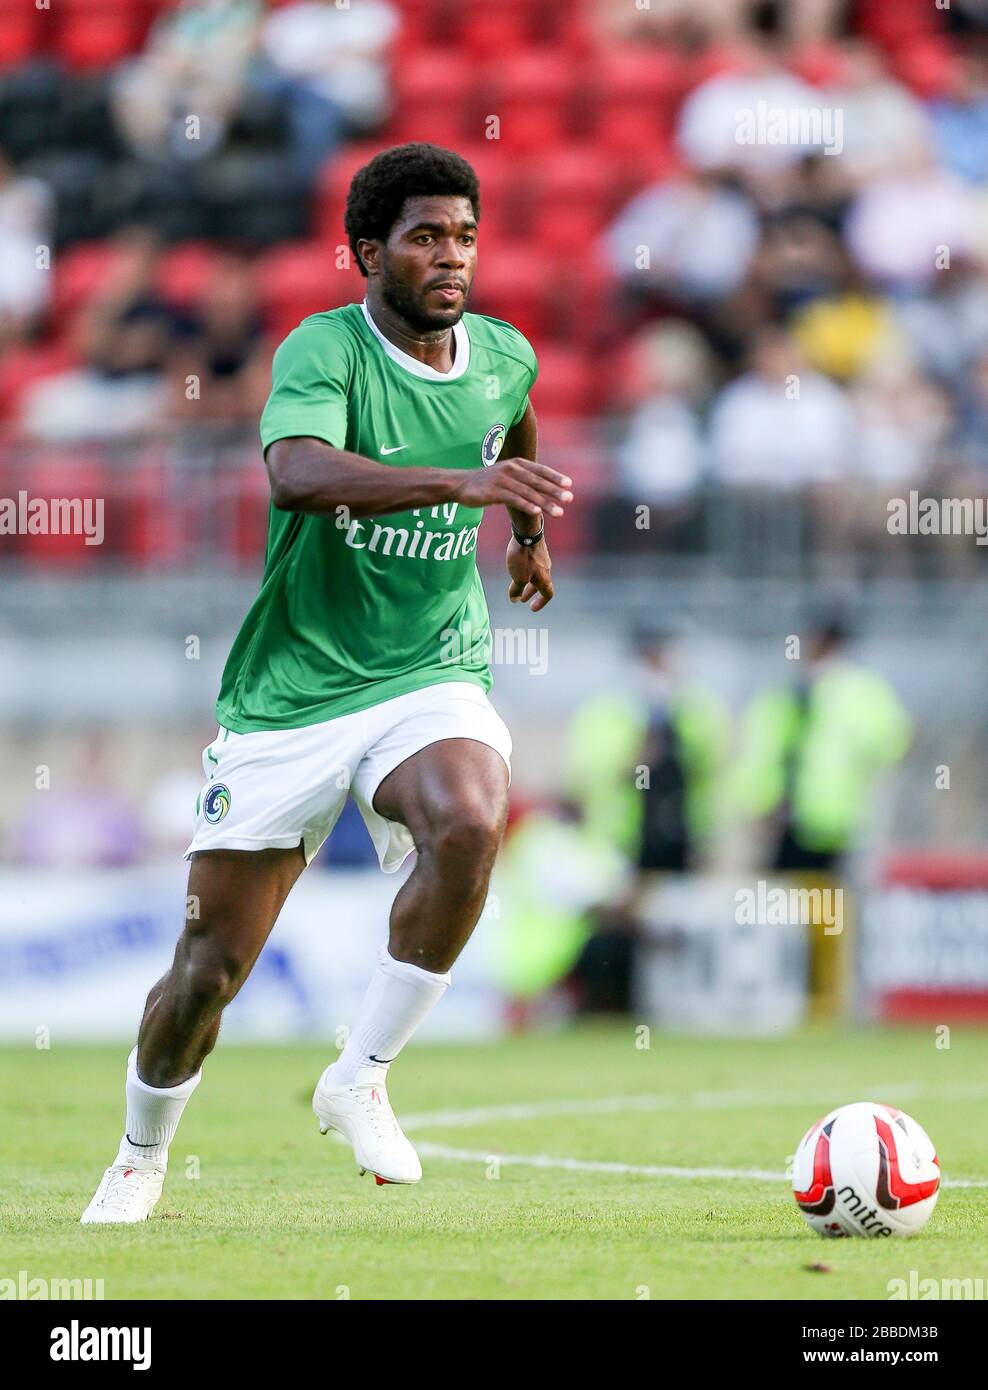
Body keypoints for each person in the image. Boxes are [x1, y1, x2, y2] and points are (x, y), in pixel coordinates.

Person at [80, 143, 573, 1223]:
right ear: (367, 253)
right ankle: (140, 1152)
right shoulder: (325, 350)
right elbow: (297, 475)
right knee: (206, 972)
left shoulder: (500, 354)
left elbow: (513, 421)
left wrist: (525, 531)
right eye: (425, 237)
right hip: (293, 694)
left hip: (428, 668)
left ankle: (358, 1074)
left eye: (465, 235)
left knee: (472, 816)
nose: (452, 257)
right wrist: (470, 483)